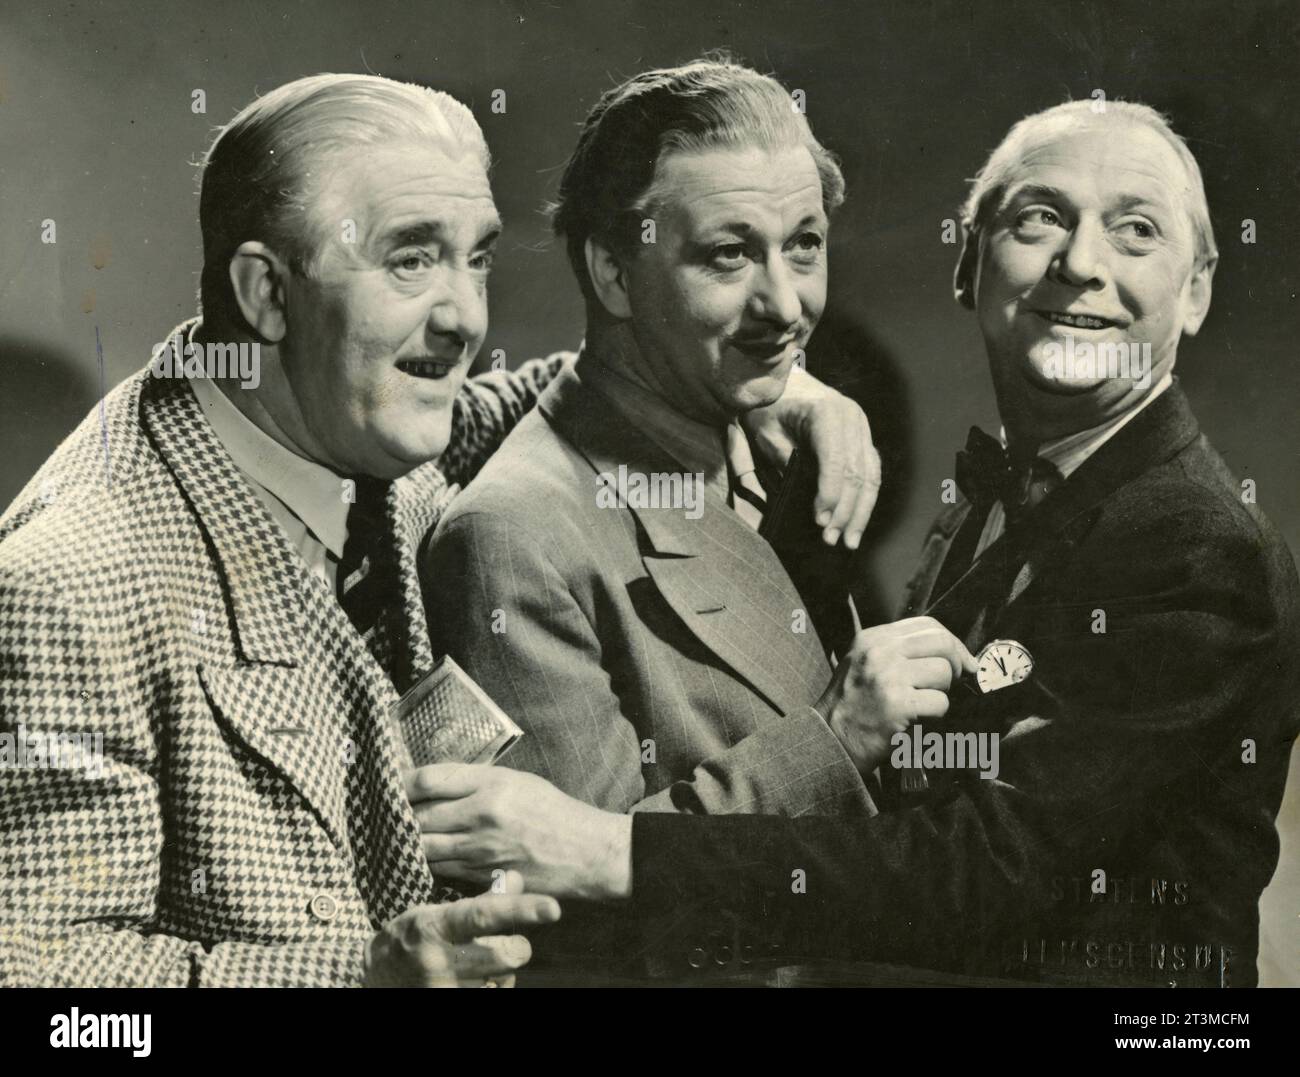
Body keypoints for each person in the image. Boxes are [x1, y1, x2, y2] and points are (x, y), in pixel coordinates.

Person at [0, 72, 873, 987]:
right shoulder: (69, 583)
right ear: (264, 293)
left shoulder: (346, 410)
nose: (464, 320)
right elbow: (47, 993)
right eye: (411, 259)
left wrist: (776, 378)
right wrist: (361, 978)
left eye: (479, 257)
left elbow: (548, 389)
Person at [409, 99, 1300, 987]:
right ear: (970, 264)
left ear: (1197, 290)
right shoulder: (538, 522)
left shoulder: (1197, 545)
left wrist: (617, 848)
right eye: (1041, 219)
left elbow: (983, 871)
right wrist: (793, 391)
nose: (1082, 264)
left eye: (1136, 231)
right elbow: (575, 949)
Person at [421, 58, 969, 817]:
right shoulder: (513, 539)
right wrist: (833, 739)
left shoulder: (762, 427)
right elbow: (573, 907)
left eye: (804, 244)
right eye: (729, 254)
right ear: (613, 272)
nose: (785, 305)